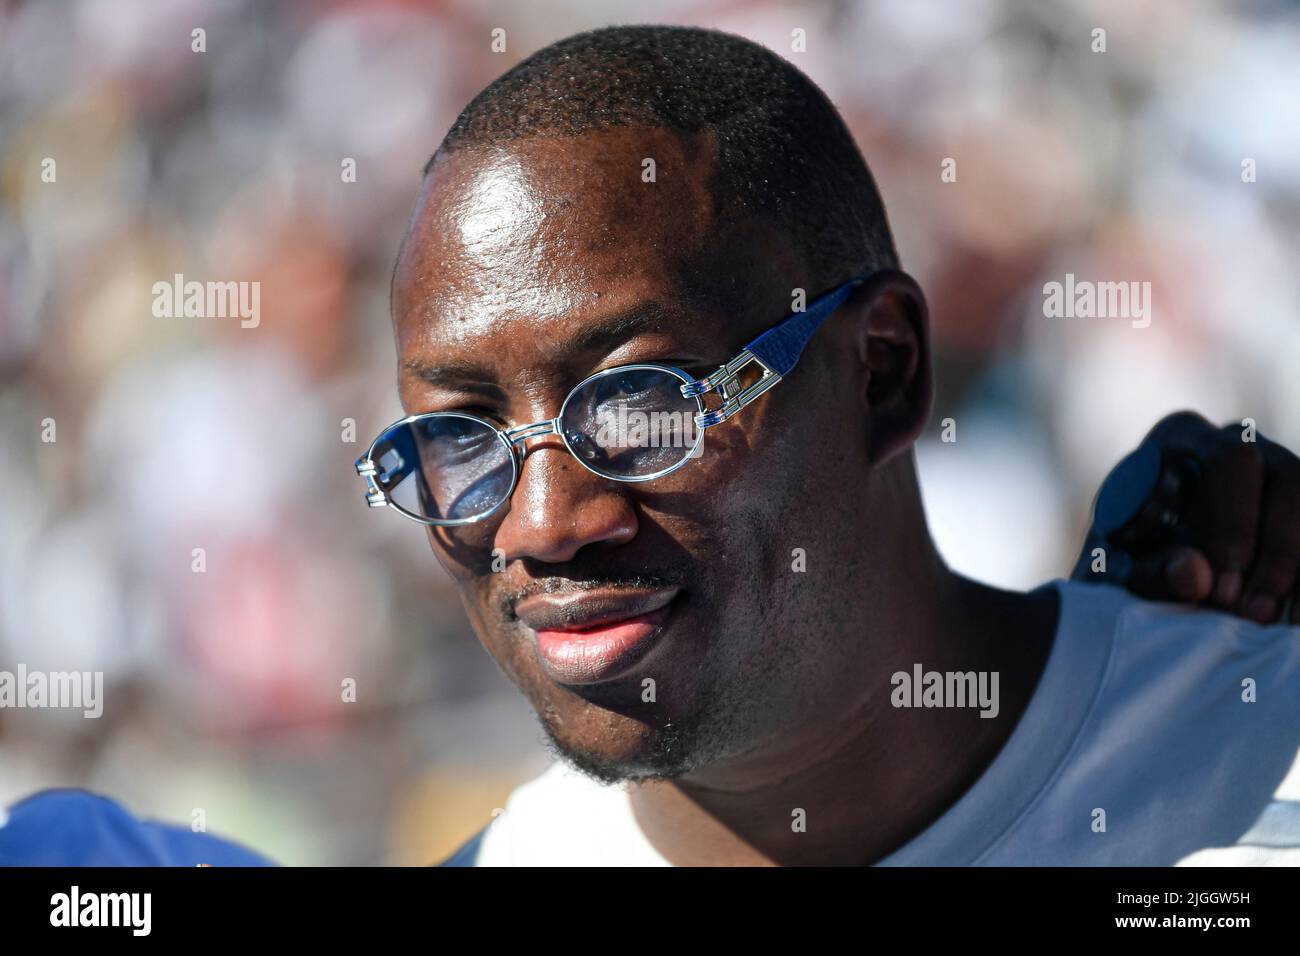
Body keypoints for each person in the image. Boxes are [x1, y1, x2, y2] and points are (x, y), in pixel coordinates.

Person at [4, 25, 1297, 869]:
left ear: (882, 372)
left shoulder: (1253, 769)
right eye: (458, 436)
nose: (540, 522)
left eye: (639, 403)